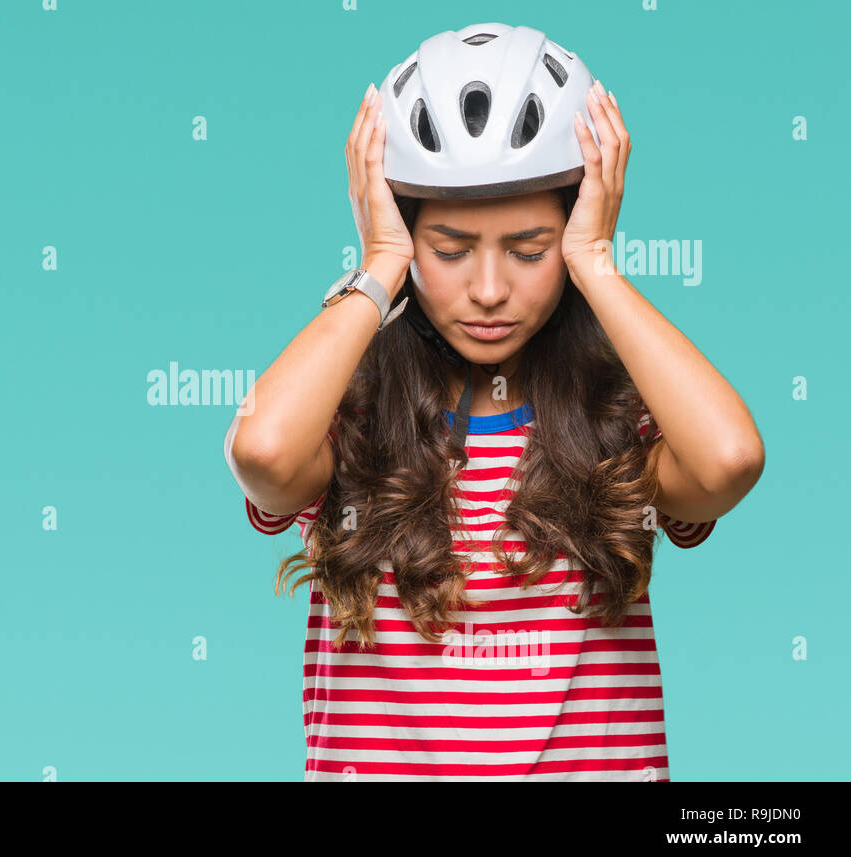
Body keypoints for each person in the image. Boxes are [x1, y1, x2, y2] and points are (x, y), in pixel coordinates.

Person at [222, 23, 764, 781]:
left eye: (529, 250)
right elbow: (262, 452)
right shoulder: (347, 418)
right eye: (447, 251)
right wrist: (378, 270)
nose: (488, 289)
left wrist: (596, 267)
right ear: (404, 234)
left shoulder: (619, 423)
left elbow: (730, 460)